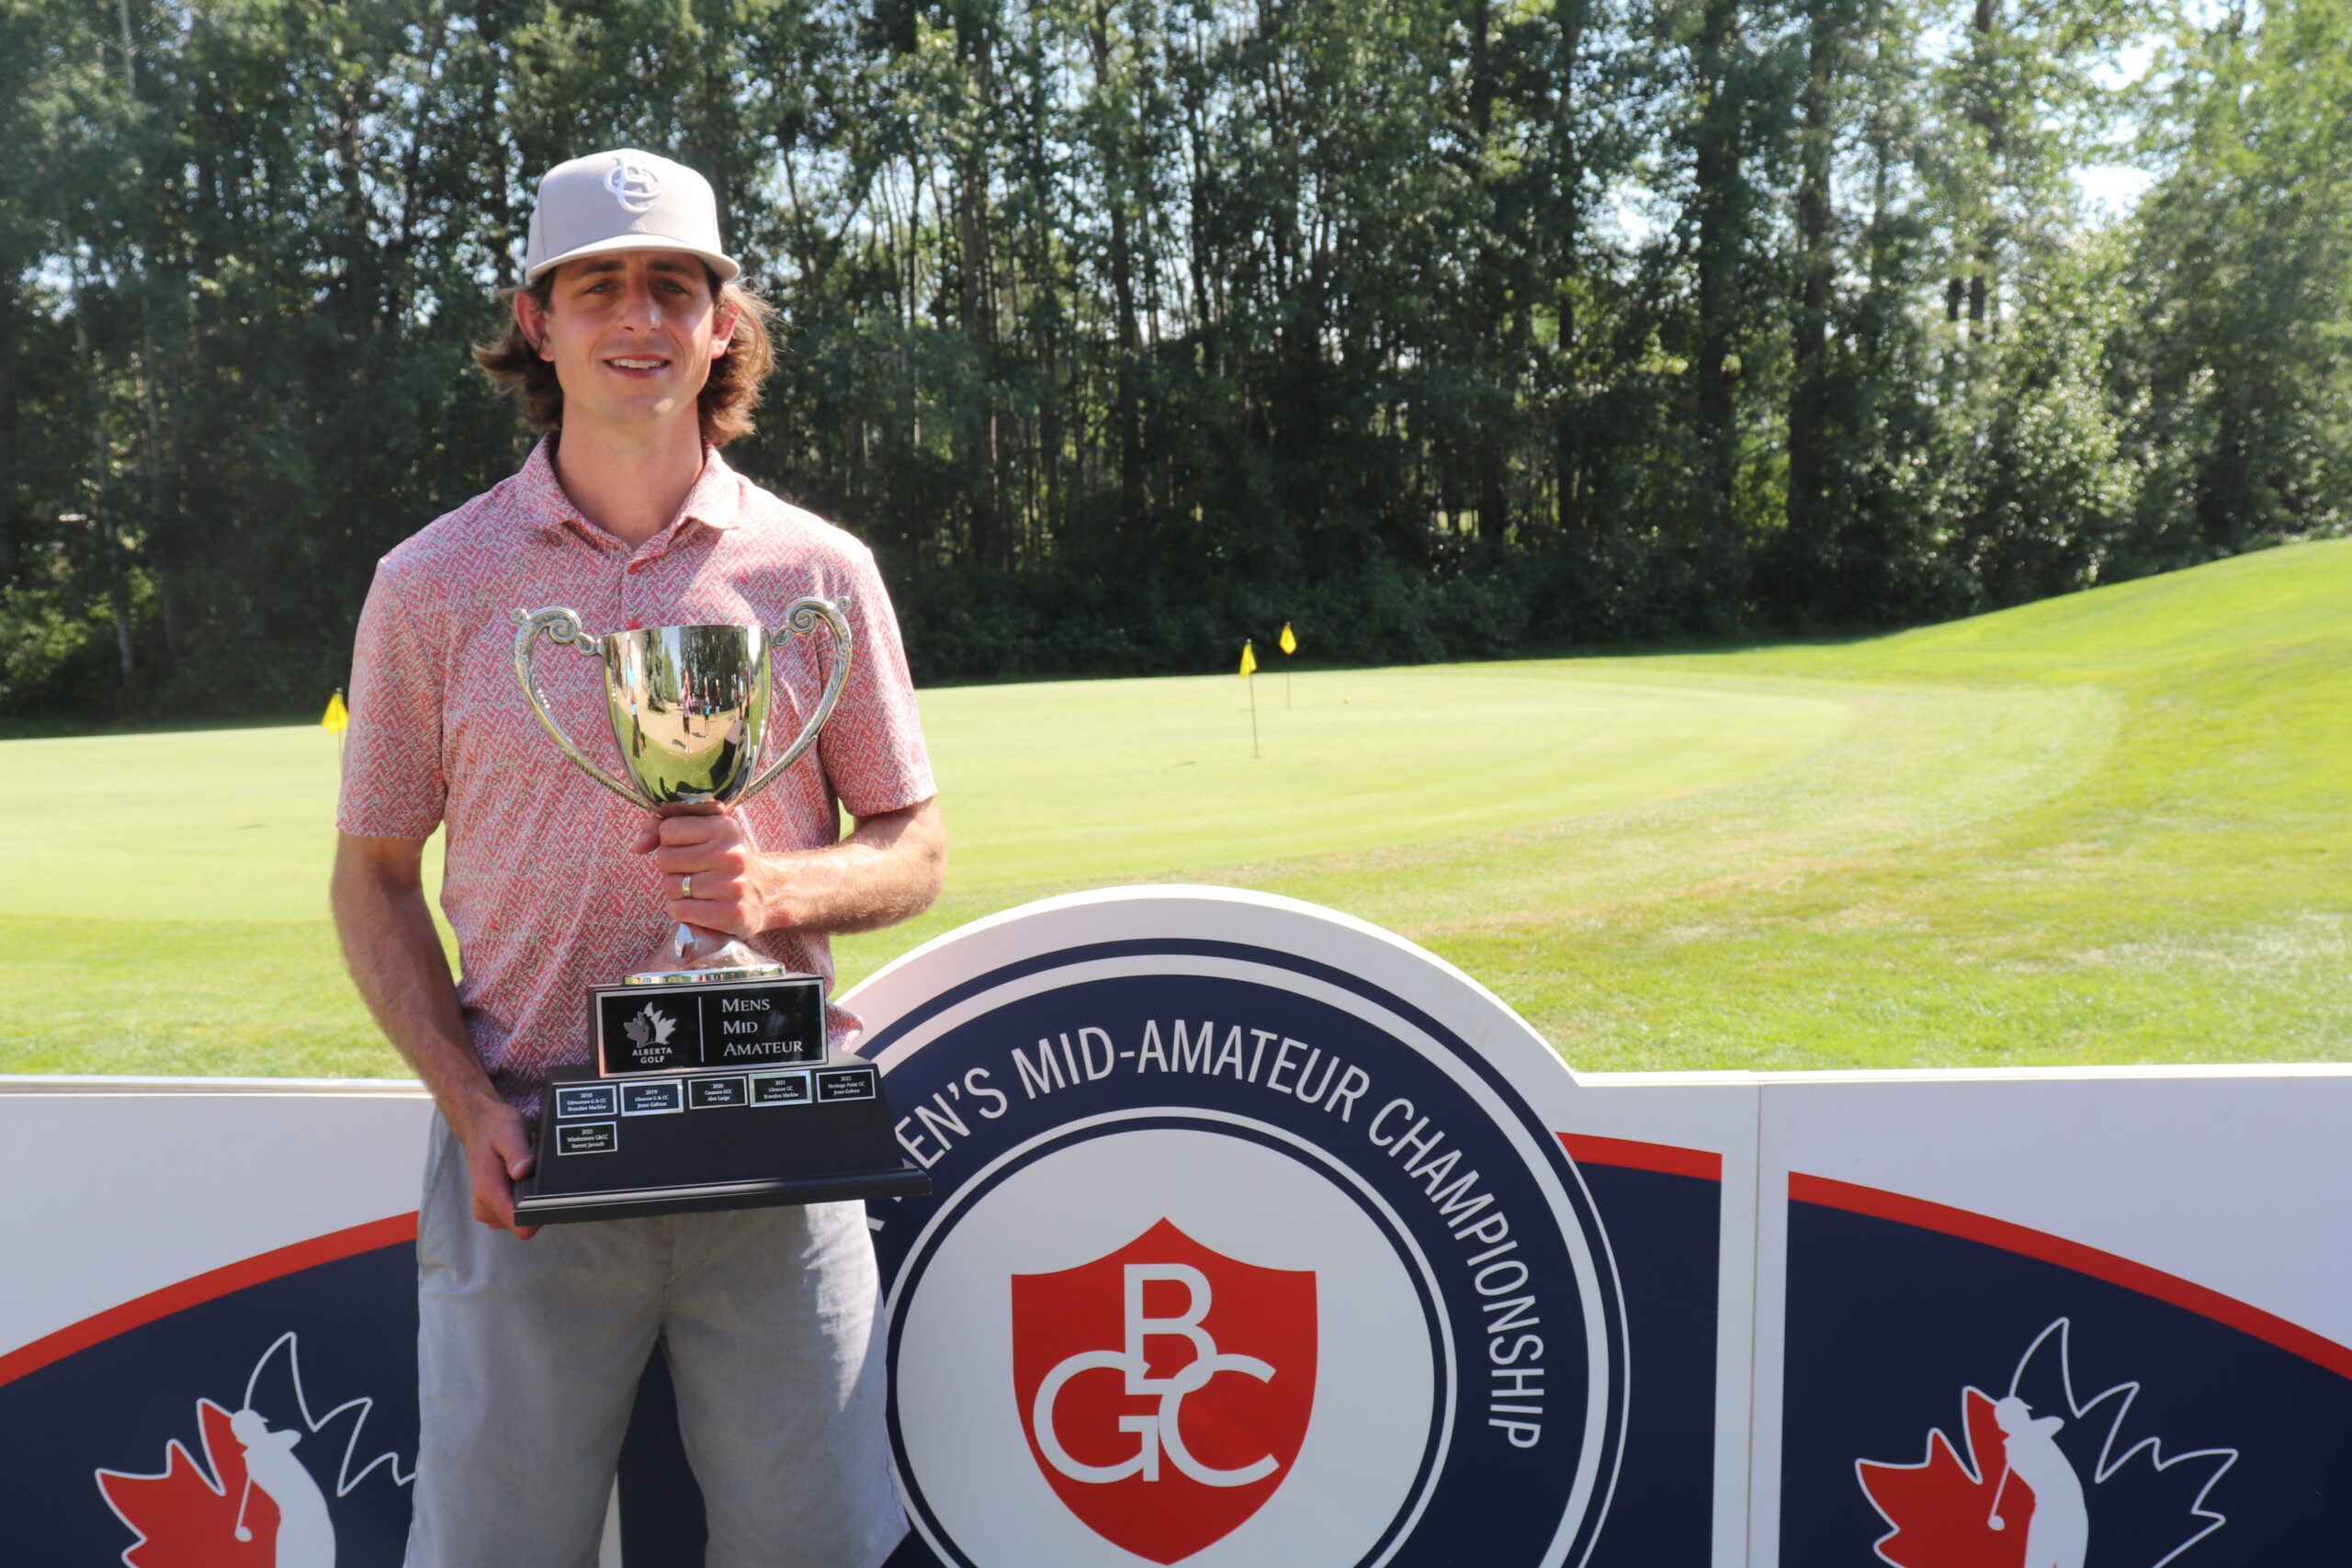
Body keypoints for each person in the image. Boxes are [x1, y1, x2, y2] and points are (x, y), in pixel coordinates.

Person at [331, 147, 944, 1568]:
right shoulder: (431, 584)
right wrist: (464, 1097)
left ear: (723, 321)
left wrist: (779, 888)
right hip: (533, 1156)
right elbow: (371, 877)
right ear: (538, 322)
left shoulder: (814, 572)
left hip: (776, 1153)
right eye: (597, 284)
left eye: (675, 283)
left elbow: (916, 845)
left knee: (817, 1553)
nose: (639, 315)